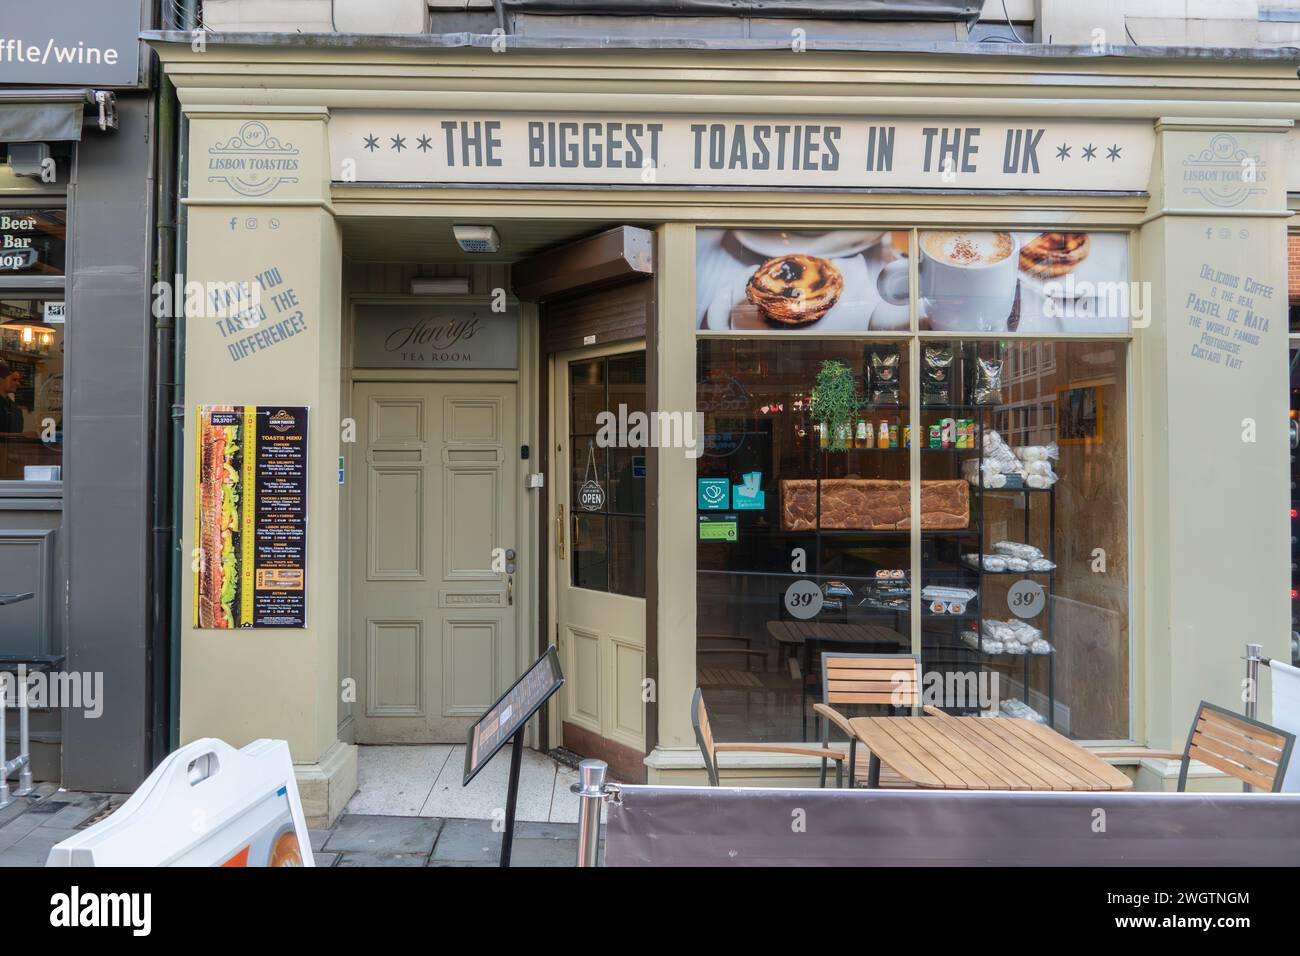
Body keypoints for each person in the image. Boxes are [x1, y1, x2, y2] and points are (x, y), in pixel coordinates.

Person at [0, 361, 28, 435]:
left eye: (18, 380)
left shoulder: (15, 407)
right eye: (14, 380)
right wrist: (21, 435)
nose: (18, 383)